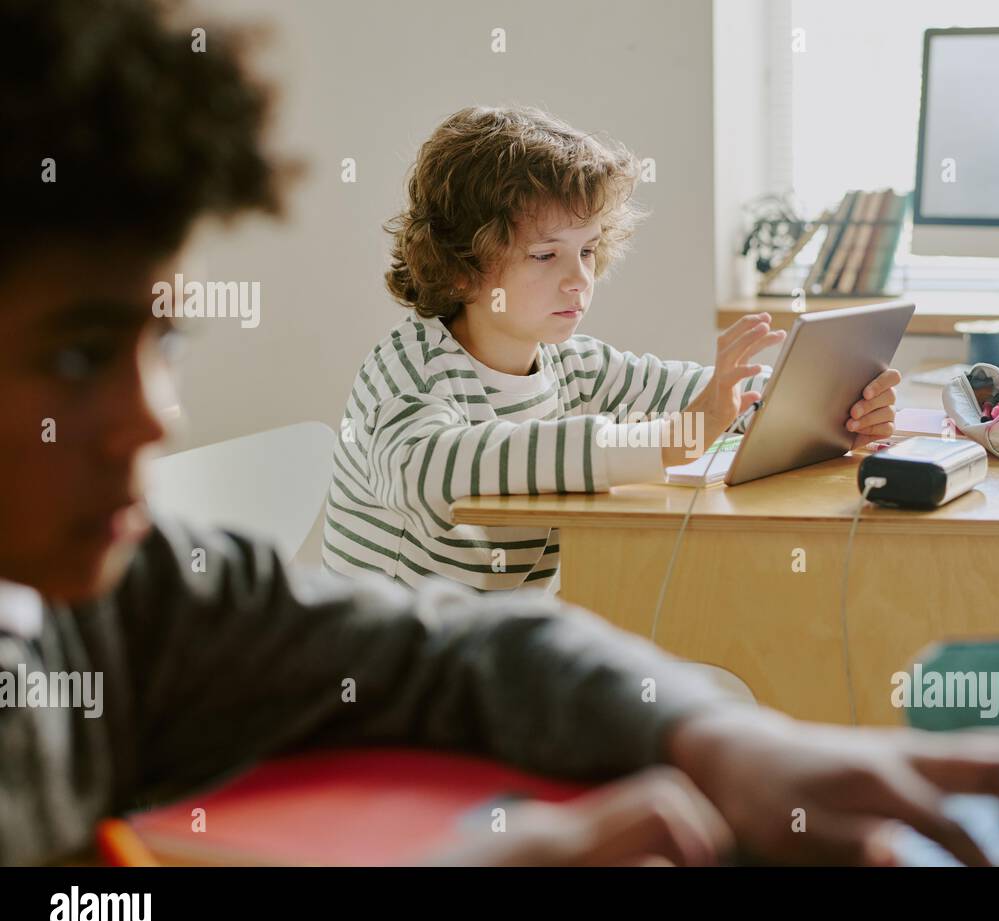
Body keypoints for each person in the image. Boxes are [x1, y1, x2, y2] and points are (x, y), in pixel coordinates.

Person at [0, 0, 999, 867]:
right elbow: (445, 469)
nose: (154, 413)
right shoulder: (410, 375)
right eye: (81, 354)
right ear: (466, 266)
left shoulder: (116, 601)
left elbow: (451, 650)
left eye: (164, 341)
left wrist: (724, 739)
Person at [322, 105, 902, 592]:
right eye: (545, 255)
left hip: (492, 660)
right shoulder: (408, 372)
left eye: (589, 252)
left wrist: (827, 412)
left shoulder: (575, 366)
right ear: (459, 269)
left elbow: (706, 399)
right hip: (386, 673)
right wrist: (671, 437)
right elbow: (431, 469)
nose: (579, 280)